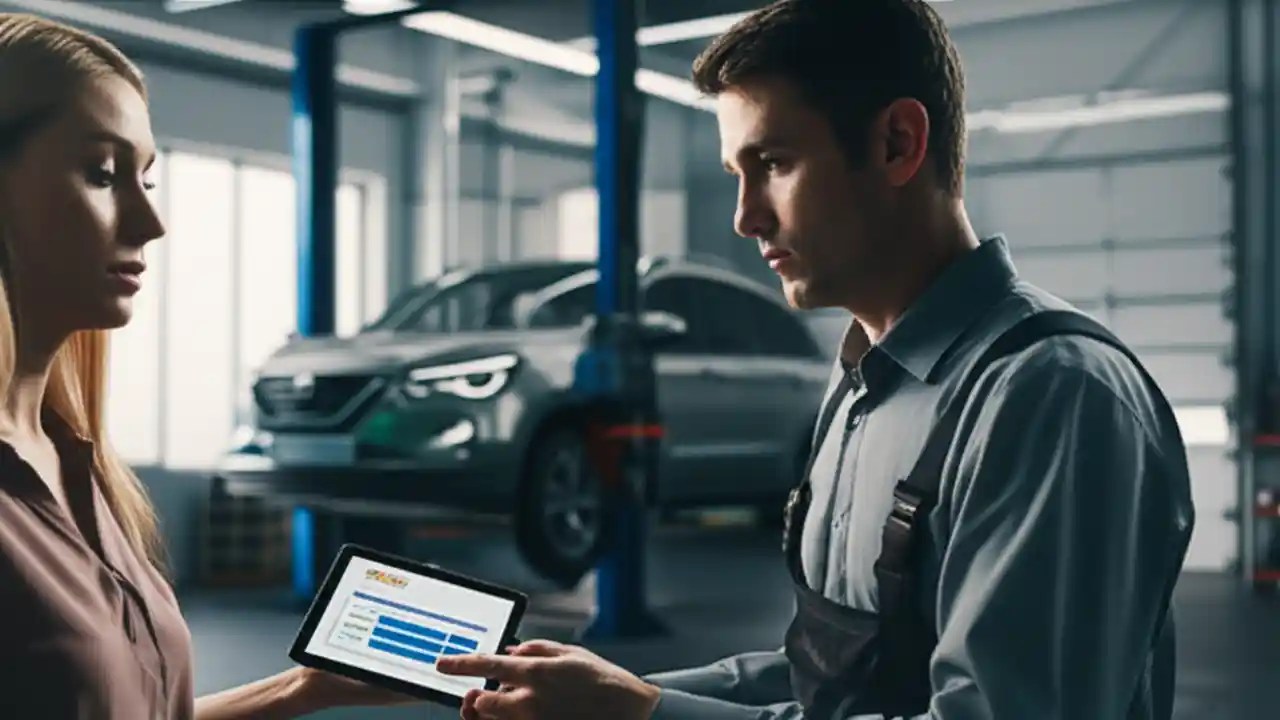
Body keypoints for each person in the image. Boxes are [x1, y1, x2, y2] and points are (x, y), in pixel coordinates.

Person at [434, 1, 1196, 718]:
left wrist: (646, 713)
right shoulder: (864, 379)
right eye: (738, 174)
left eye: (774, 162)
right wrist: (593, 693)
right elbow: (830, 678)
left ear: (898, 143)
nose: (745, 218)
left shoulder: (1052, 395)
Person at [0, 13, 419, 719]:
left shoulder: (73, 457)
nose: (151, 223)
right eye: (102, 174)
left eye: (146, 179)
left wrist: (299, 689)